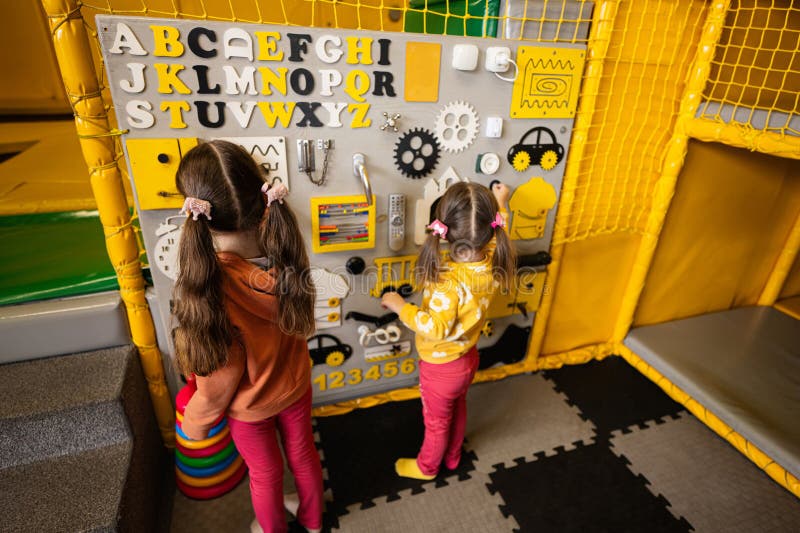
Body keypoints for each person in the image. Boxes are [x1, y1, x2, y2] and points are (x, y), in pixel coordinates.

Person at [174, 140, 323, 533]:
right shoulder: (284, 245)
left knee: (265, 474)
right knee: (303, 454)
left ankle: (272, 529)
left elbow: (219, 382)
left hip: (250, 406)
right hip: (295, 385)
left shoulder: (211, 288)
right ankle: (312, 520)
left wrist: (195, 425)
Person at [381, 181, 515, 480]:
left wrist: (400, 306)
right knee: (458, 408)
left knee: (437, 423)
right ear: (490, 228)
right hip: (467, 359)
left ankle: (427, 467)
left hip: (441, 369)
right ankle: (453, 457)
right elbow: (503, 225)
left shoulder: (448, 282)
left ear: (444, 229)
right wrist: (501, 201)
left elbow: (435, 327)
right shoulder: (493, 254)